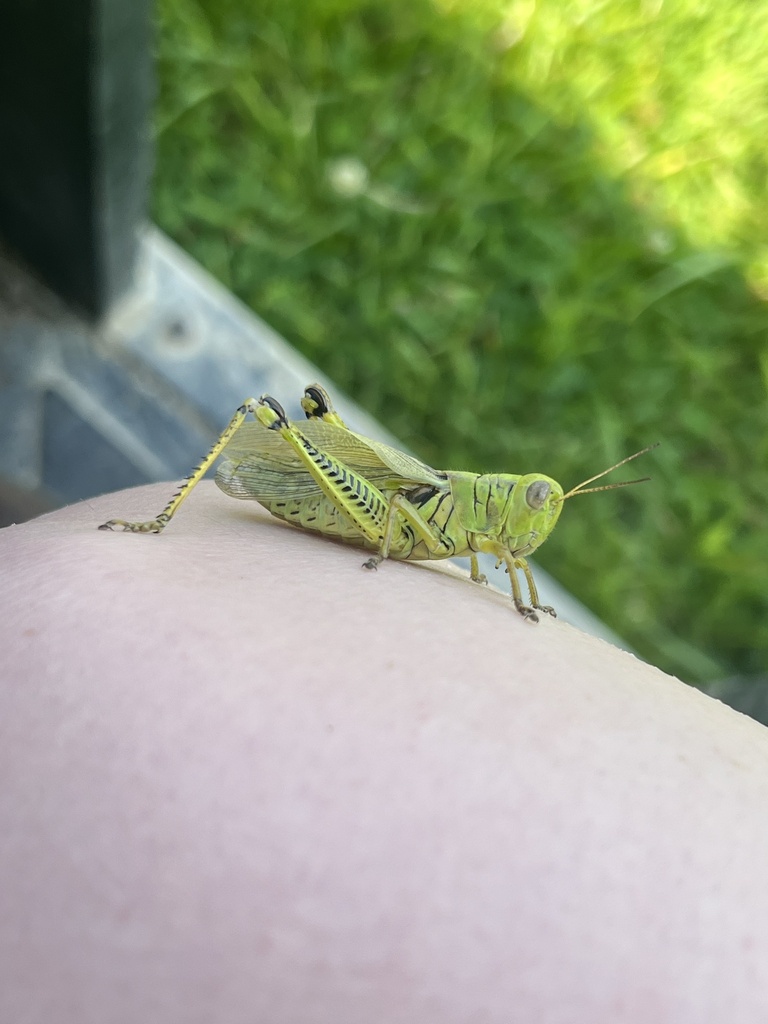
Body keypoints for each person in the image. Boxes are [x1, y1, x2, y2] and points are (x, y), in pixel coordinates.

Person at [2, 481, 768, 1022]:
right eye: (539, 500)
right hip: (358, 505)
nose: (540, 519)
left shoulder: (494, 542)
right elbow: (403, 506)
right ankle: (157, 521)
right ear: (509, 496)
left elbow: (491, 559)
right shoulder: (461, 510)